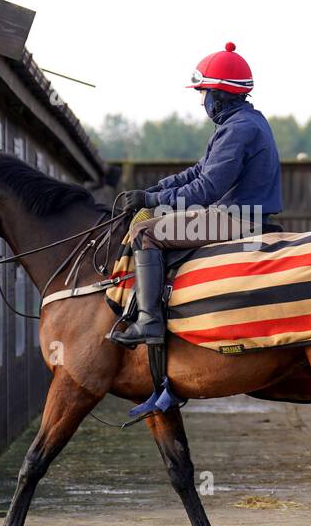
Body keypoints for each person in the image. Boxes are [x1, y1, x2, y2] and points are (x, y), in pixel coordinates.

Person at [110, 41, 282, 350]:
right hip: (241, 214)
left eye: (203, 93)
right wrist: (154, 191)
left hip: (236, 220)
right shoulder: (241, 122)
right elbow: (197, 172)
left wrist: (151, 203)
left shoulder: (238, 129)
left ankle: (149, 321)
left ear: (218, 95)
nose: (201, 100)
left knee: (145, 231)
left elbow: (205, 190)